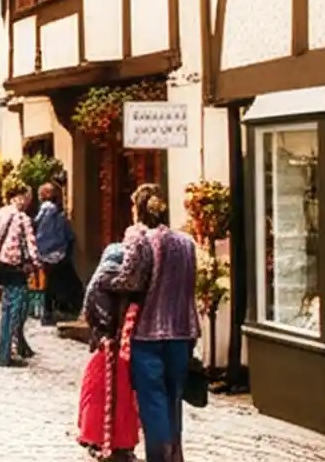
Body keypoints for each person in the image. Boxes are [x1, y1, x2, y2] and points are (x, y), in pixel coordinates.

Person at [111, 183, 200, 462]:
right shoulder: (187, 242)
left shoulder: (143, 240)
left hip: (148, 333)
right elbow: (190, 284)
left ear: (138, 209)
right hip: (183, 331)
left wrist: (109, 280)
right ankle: (175, 454)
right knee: (174, 398)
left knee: (153, 402)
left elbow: (130, 280)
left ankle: (159, 457)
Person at [77, 243, 140, 462]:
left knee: (100, 393)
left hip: (104, 345)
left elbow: (89, 311)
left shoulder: (99, 279)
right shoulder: (122, 282)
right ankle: (117, 442)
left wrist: (100, 333)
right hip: (115, 347)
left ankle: (99, 439)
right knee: (118, 394)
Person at [0, 179, 40, 367]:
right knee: (16, 309)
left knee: (7, 308)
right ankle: (6, 353)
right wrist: (37, 264)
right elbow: (31, 244)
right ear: (20, 196)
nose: (29, 201)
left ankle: (9, 350)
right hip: (16, 267)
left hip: (1, 266)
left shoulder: (0, 214)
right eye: (27, 197)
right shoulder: (21, 217)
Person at [34, 182, 81, 326]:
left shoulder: (40, 215)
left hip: (44, 254)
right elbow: (68, 235)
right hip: (59, 253)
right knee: (71, 283)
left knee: (50, 283)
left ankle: (48, 313)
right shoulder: (58, 214)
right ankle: (66, 310)